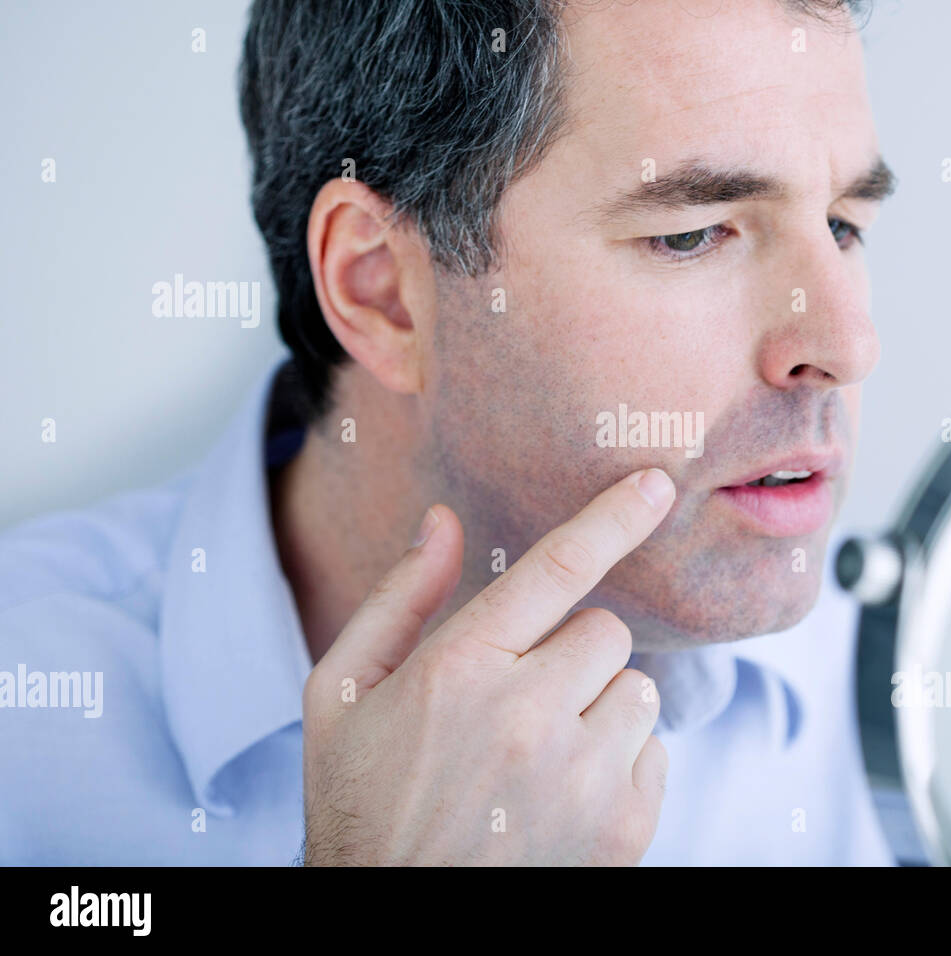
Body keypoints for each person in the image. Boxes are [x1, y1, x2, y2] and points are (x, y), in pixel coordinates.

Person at [0, 0, 896, 865]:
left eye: (844, 226)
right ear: (381, 291)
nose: (847, 347)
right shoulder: (27, 721)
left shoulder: (891, 667)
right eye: (694, 235)